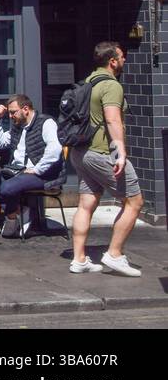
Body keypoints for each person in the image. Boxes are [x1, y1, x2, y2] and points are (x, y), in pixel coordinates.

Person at [70, 42, 143, 277]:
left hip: (80, 152)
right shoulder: (111, 85)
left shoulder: (88, 82)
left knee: (86, 204)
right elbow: (112, 120)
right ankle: (114, 254)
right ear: (112, 61)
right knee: (134, 202)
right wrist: (120, 152)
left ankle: (79, 259)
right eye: (121, 57)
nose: (124, 60)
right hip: (102, 152)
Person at [0, 93, 62, 237]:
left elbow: (55, 149)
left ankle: (12, 218)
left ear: (25, 109)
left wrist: (37, 169)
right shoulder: (17, 125)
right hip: (17, 170)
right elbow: (0, 143)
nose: (10, 116)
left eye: (13, 112)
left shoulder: (46, 123)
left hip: (43, 174)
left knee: (7, 188)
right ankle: (16, 212)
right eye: (10, 112)